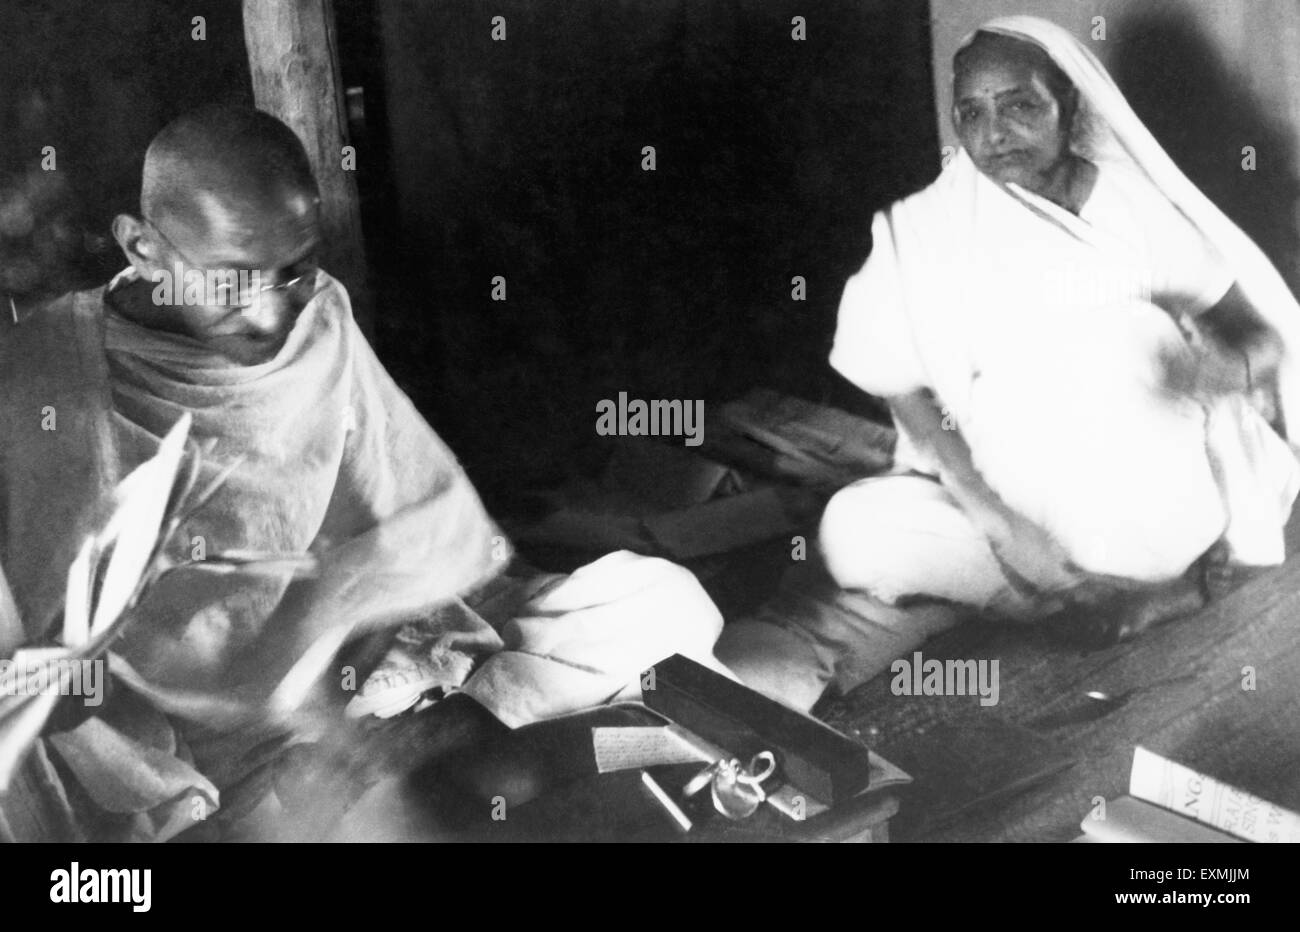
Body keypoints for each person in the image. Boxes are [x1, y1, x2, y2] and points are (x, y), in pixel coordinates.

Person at [0, 105, 726, 841]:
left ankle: (445, 732)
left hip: (351, 686)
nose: (269, 315)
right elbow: (40, 656)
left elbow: (416, 520)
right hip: (190, 754)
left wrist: (358, 658)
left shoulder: (319, 319)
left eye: (295, 270)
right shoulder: (42, 375)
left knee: (662, 600)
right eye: (231, 282)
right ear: (144, 247)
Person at [718, 15, 1300, 712]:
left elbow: (1256, 334)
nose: (993, 135)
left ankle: (1114, 583)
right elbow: (903, 389)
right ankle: (1109, 593)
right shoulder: (928, 226)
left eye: (1020, 105)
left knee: (1125, 333)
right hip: (1013, 502)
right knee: (852, 531)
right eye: (971, 113)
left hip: (1146, 489)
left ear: (1070, 105)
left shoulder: (1132, 205)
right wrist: (1000, 523)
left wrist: (1224, 372)